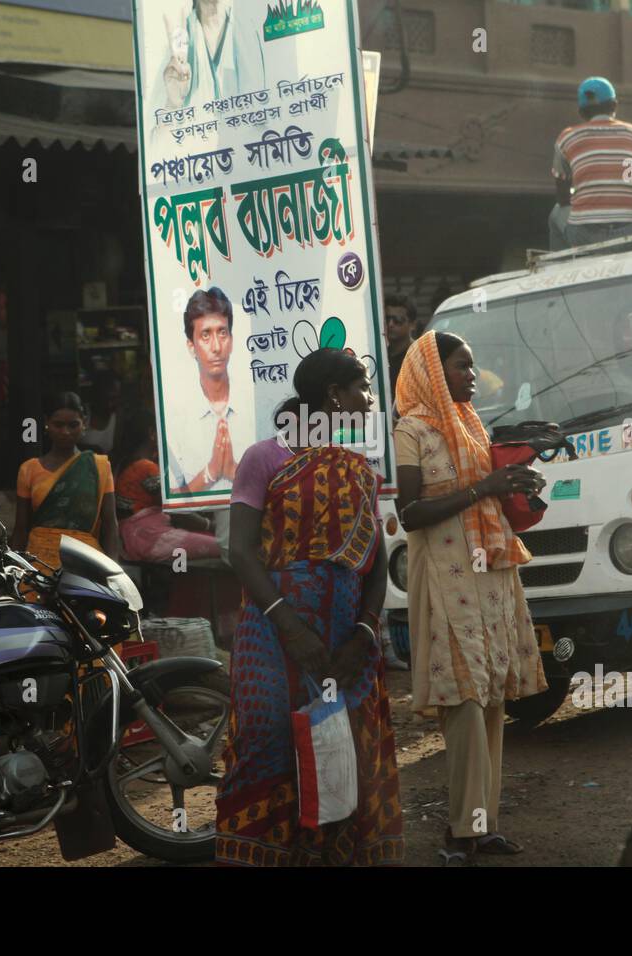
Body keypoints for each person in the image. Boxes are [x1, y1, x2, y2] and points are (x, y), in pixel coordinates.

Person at [217, 349, 403, 866]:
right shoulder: (264, 458)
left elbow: (376, 565)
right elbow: (240, 552)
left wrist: (363, 636)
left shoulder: (360, 469)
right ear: (334, 396)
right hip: (273, 634)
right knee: (269, 744)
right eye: (363, 386)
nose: (370, 398)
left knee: (346, 749)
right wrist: (291, 628)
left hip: (346, 638)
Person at [394, 331, 548, 865]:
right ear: (434, 373)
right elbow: (409, 513)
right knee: (461, 699)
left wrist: (516, 486)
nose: (472, 376)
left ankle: (484, 826)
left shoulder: (472, 425)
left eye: (474, 366)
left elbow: (488, 493)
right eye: (463, 367)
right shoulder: (411, 429)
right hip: (444, 578)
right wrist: (485, 487)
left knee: (491, 698)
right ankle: (460, 831)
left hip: (489, 578)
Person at [549, 76, 632, 251]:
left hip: (585, 236)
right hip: (631, 232)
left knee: (556, 213)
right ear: (615, 105)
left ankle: (559, 268)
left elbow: (563, 197)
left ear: (581, 112)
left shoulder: (567, 138)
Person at [12, 392, 120, 570]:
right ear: (46, 423)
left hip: (84, 560)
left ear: (84, 423)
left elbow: (110, 523)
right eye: (58, 425)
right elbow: (21, 528)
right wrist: (14, 569)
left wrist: (114, 570)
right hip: (38, 561)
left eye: (73, 425)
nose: (65, 432)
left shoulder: (99, 466)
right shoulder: (29, 469)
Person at [165, 287, 254, 494]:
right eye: (205, 335)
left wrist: (233, 471)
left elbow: (278, 484)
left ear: (231, 341)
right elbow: (172, 497)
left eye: (222, 333)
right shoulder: (176, 416)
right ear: (191, 346)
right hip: (202, 524)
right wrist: (210, 472)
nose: (216, 347)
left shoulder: (253, 404)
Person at [114, 404, 221, 563]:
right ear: (152, 433)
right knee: (223, 546)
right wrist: (210, 525)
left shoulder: (129, 462)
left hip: (138, 537)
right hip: (147, 537)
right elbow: (177, 510)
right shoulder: (145, 467)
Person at [157, 0, 266, 112]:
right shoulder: (178, 41)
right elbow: (160, 126)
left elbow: (260, 114)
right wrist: (173, 104)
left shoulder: (245, 29)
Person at [80, 371, 122, 455]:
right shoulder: (82, 413)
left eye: (115, 398)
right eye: (107, 398)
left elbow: (117, 453)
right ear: (97, 395)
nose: (111, 404)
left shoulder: (118, 418)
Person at [384, 293, 416, 397]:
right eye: (387, 319)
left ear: (412, 324)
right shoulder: (381, 357)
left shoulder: (419, 356)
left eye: (397, 320)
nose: (390, 324)